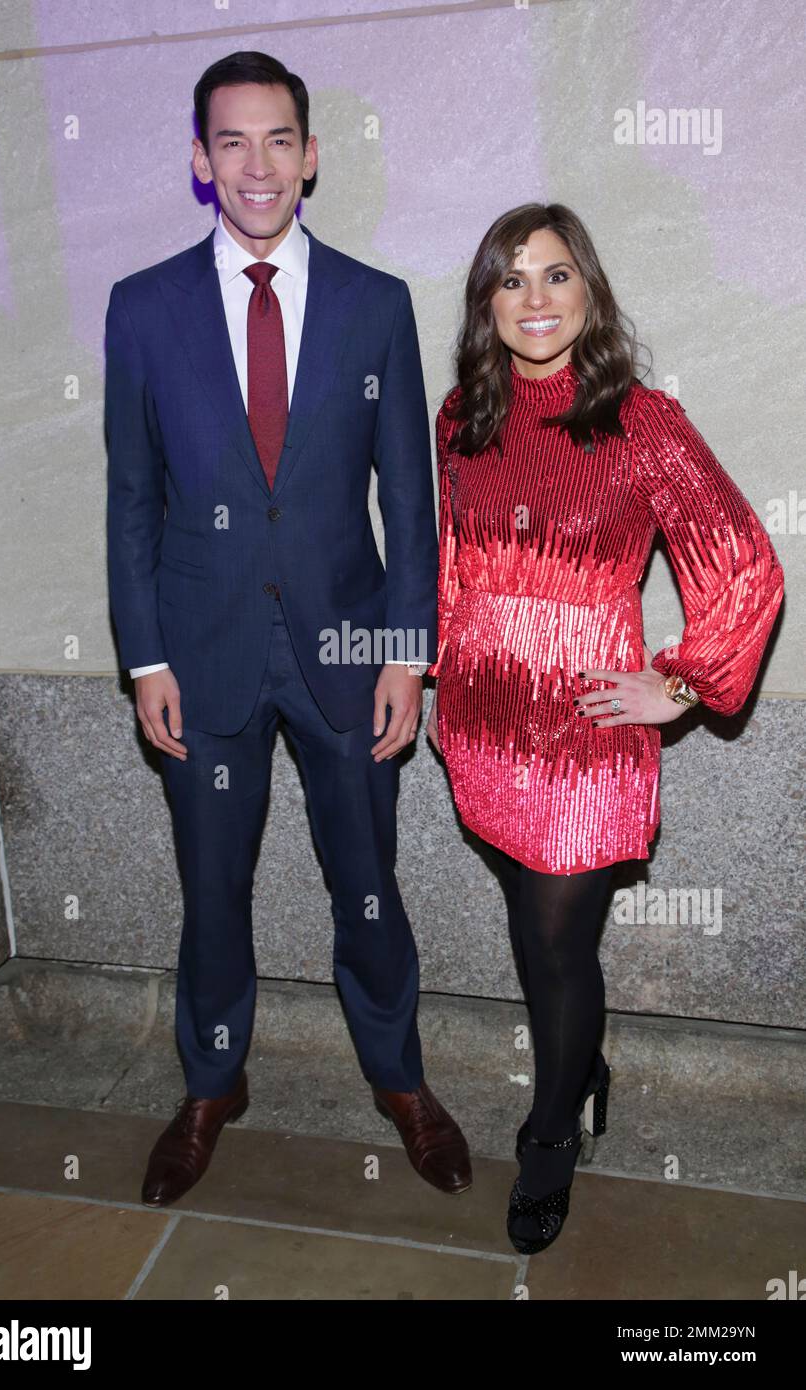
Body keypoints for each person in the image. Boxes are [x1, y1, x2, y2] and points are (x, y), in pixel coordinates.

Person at [105, 51, 472, 1207]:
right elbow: (130, 498)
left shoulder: (375, 303)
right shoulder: (143, 306)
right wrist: (144, 656)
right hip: (199, 656)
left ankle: (398, 1078)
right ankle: (212, 1083)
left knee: (366, 880)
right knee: (212, 889)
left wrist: (408, 653)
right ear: (200, 163)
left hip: (350, 652)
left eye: (277, 141)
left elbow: (408, 500)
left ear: (310, 157)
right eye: (231, 142)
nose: (256, 164)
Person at [425, 203, 784, 1254]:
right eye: (509, 280)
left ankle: (550, 1134)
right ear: (485, 304)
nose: (533, 300)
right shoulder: (461, 419)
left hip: (583, 729)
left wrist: (675, 683)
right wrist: (447, 685)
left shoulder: (641, 422)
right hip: (487, 718)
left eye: (554, 276)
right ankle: (579, 1062)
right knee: (538, 934)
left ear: (589, 293)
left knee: (552, 932)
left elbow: (746, 565)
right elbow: (450, 566)